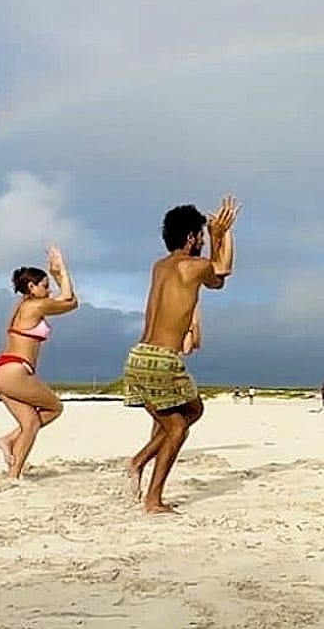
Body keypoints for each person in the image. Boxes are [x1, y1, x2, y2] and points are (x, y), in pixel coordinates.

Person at [122, 196, 240, 514]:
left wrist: (215, 236)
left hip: (138, 356)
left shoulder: (160, 266)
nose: (202, 241)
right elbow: (224, 267)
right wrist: (225, 233)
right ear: (190, 237)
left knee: (190, 411)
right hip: (162, 358)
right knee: (177, 428)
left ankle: (140, 462)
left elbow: (216, 282)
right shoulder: (192, 266)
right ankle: (151, 496)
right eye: (200, 235)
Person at [0, 246, 79, 480]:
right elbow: (71, 301)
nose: (48, 292)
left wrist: (56, 275)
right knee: (55, 408)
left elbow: (67, 300)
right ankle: (9, 442)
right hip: (15, 370)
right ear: (31, 287)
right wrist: (62, 270)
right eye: (45, 286)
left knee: (30, 423)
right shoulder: (36, 305)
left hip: (1, 370)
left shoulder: (21, 306)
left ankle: (13, 472)